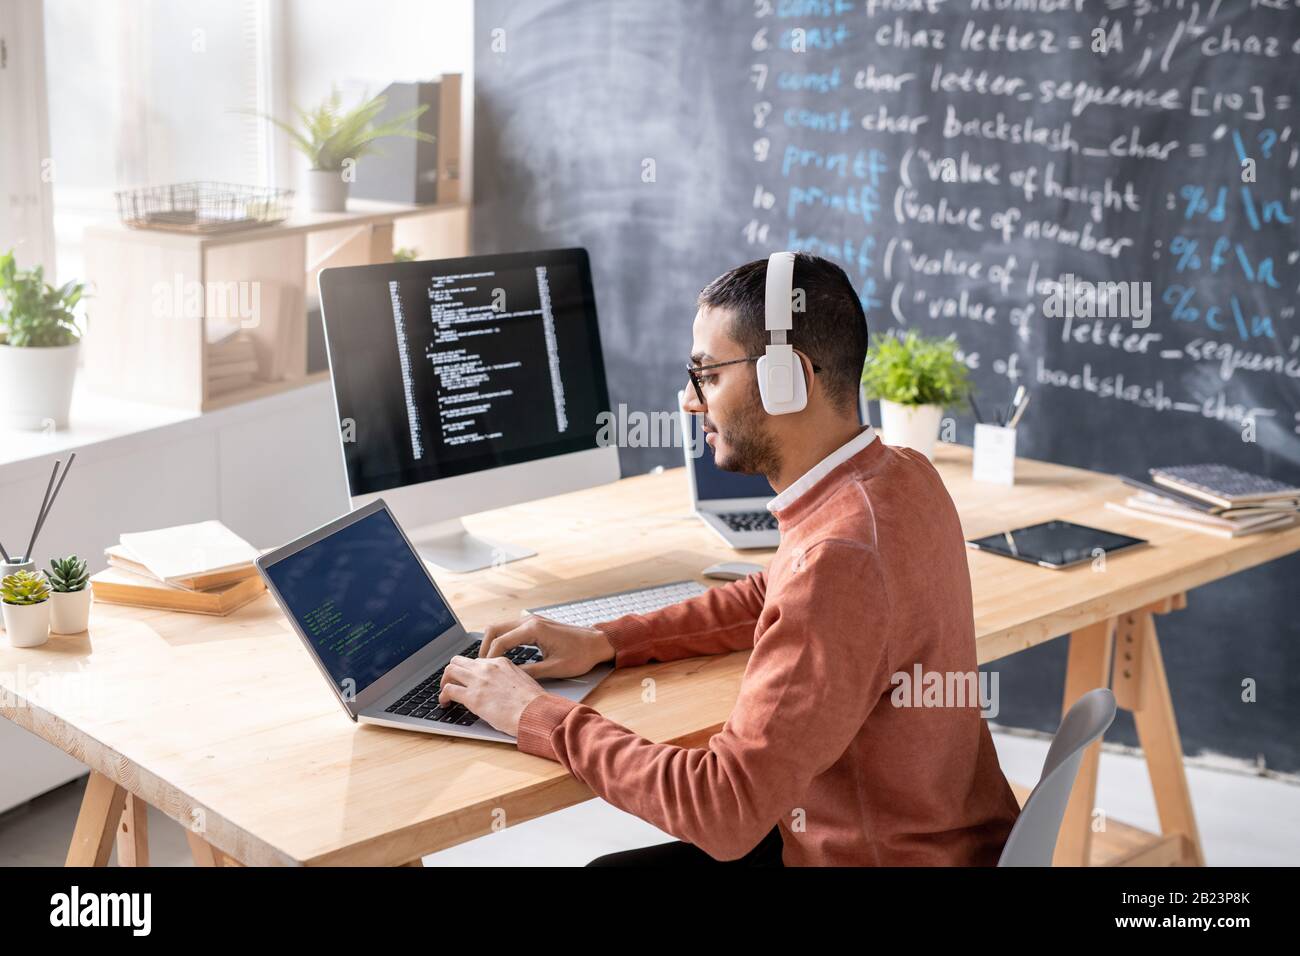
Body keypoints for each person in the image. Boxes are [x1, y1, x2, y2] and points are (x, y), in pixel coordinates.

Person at [435, 253, 1021, 866]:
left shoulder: (840, 557)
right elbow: (770, 592)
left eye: (708, 376)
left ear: (786, 378)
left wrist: (534, 714)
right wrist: (606, 639)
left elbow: (723, 809)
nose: (690, 403)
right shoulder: (901, 476)